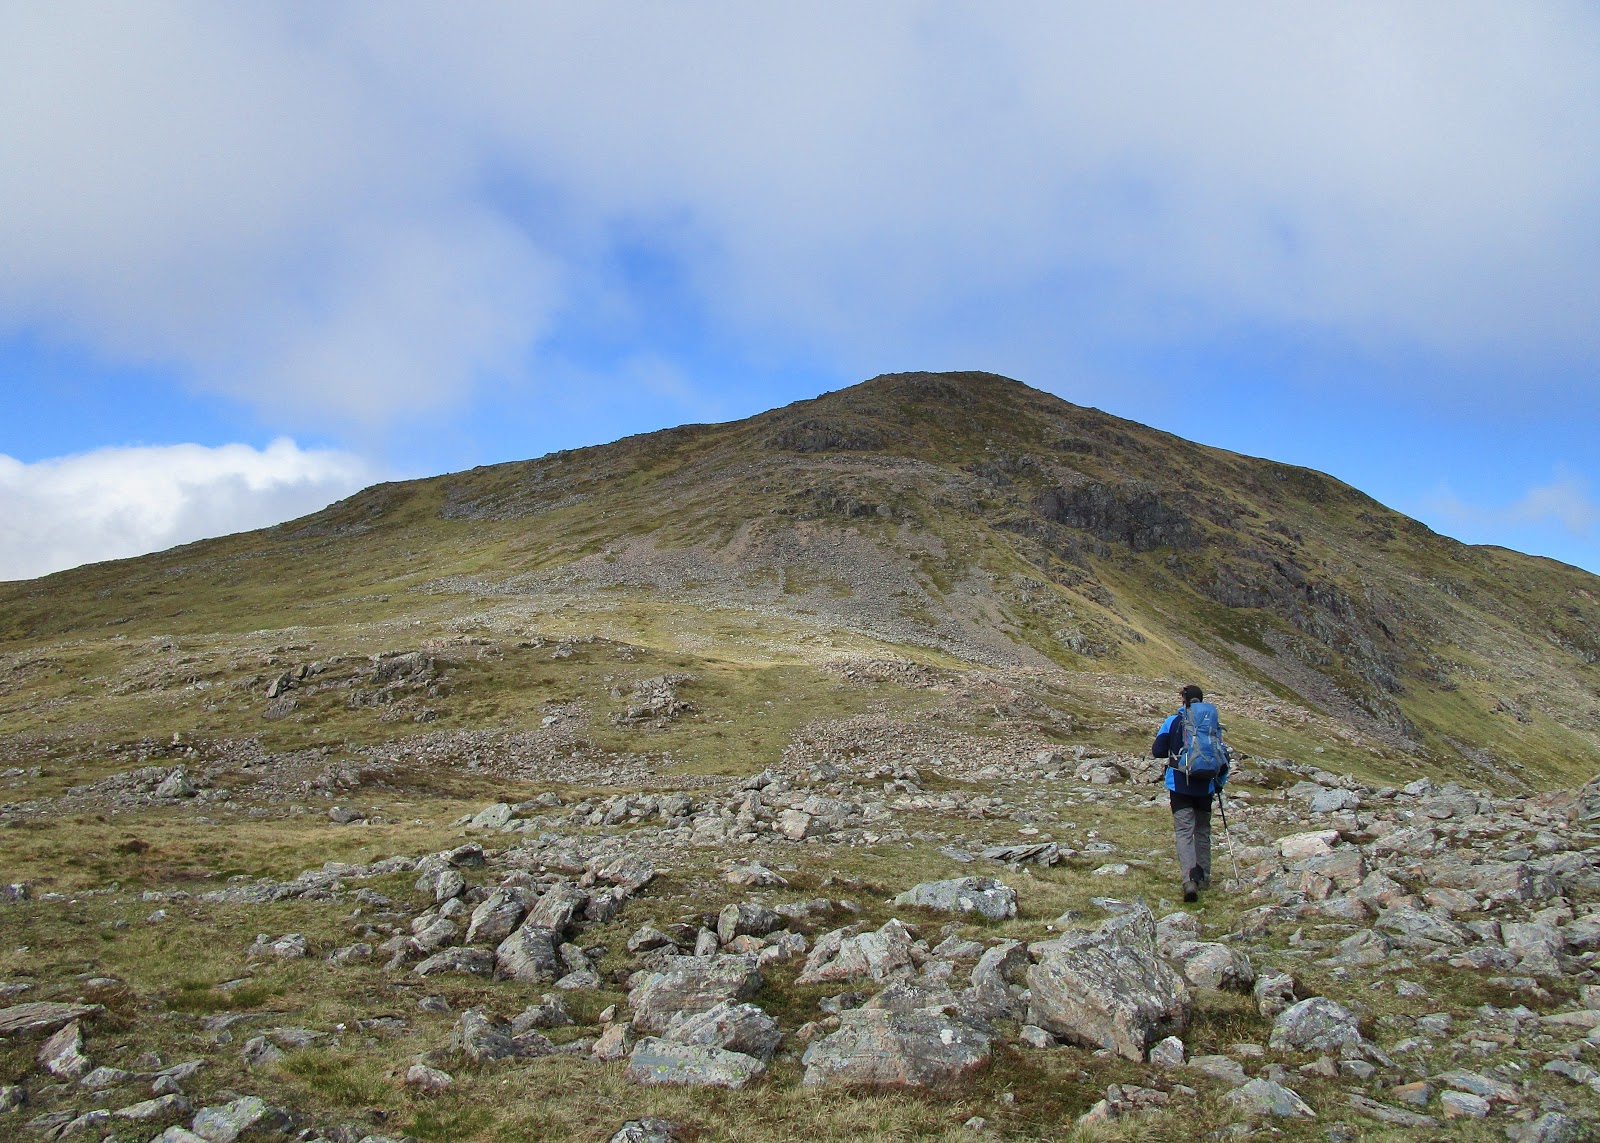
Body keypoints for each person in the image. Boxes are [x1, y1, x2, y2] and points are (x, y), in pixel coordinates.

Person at [1151, 683, 1229, 903]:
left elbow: (1157, 751)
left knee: (1185, 831)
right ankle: (1203, 876)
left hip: (1179, 785)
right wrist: (1219, 784)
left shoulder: (1173, 721)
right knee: (1202, 831)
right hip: (1206, 786)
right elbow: (1222, 757)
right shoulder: (1212, 724)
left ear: (1183, 700)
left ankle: (1189, 881)